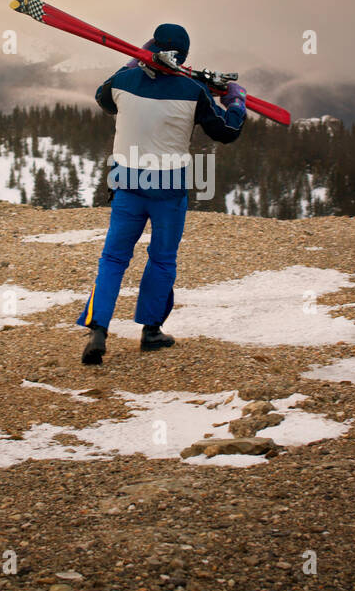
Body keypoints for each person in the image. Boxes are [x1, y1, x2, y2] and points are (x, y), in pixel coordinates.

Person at [78, 22, 246, 365]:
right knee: (162, 258)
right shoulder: (193, 90)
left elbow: (102, 98)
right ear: (184, 55)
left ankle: (98, 329)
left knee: (113, 258)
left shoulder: (123, 82)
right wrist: (235, 100)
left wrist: (135, 60)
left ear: (153, 45)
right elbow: (227, 130)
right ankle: (151, 331)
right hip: (168, 188)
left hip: (127, 183)